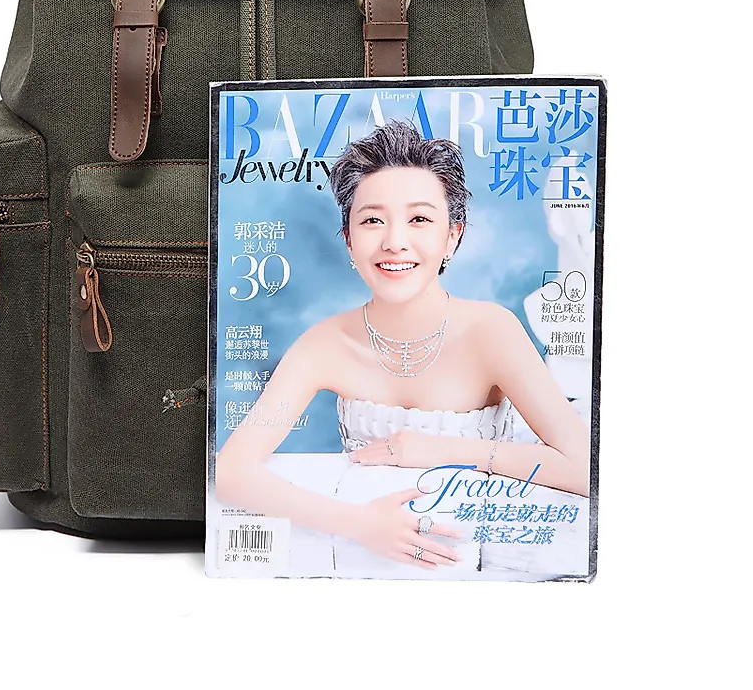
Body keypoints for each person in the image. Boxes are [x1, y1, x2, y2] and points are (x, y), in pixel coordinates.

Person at [214, 118, 591, 573]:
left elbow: (585, 469)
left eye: (420, 219)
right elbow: (231, 472)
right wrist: (359, 525)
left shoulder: (492, 332)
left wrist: (444, 450)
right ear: (349, 239)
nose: (395, 242)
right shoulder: (325, 345)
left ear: (452, 235)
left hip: (484, 566)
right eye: (373, 220)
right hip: (362, 564)